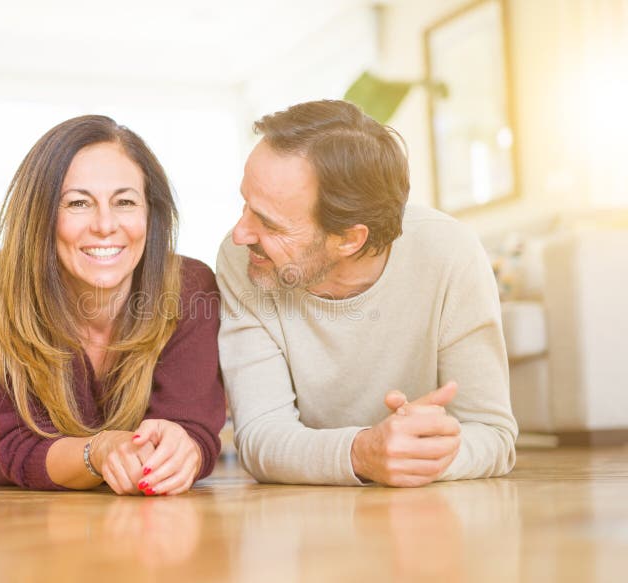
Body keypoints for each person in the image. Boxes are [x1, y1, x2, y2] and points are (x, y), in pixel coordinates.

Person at [217, 100, 517, 487]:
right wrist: (362, 453)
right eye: (245, 204)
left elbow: (492, 433)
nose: (241, 233)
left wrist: (420, 454)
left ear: (348, 239)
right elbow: (261, 436)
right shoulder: (243, 258)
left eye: (269, 223)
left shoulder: (450, 253)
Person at [0, 115, 225, 495]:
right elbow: (19, 446)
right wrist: (98, 451)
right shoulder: (7, 284)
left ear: (150, 215)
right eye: (78, 203)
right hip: (22, 508)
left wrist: (181, 448)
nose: (105, 225)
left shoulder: (189, 287)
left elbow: (194, 431)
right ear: (41, 217)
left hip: (148, 517)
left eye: (124, 201)